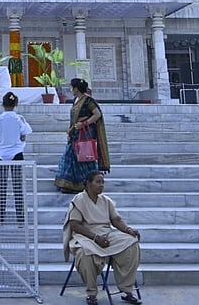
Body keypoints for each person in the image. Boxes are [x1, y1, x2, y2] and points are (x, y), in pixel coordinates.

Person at [62, 171, 142, 305]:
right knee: (84, 254)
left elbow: (116, 220)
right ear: (88, 184)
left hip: (106, 234)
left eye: (102, 182)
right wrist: (95, 238)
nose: (101, 185)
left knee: (132, 244)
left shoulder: (106, 200)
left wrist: (128, 230)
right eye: (98, 182)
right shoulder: (78, 200)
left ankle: (127, 290)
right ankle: (91, 293)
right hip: (85, 237)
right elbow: (75, 225)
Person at [54, 79, 109, 193]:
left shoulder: (88, 100)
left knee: (83, 157)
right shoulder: (76, 100)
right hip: (76, 132)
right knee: (71, 156)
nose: (71, 90)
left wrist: (84, 123)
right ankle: (69, 184)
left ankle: (84, 184)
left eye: (72, 87)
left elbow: (97, 114)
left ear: (76, 89)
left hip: (85, 133)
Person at [0, 92, 32, 225]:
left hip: (1, 154)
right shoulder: (19, 119)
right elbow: (24, 135)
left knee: (1, 186)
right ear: (16, 104)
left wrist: (1, 143)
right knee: (18, 186)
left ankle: (0, 218)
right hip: (17, 154)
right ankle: (20, 219)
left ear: (3, 104)